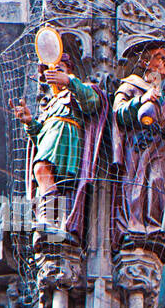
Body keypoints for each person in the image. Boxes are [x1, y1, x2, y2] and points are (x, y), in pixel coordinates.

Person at [12, 52, 100, 235]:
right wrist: (29, 122)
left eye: (60, 69)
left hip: (66, 138)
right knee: (44, 174)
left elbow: (92, 103)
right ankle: (50, 219)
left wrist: (69, 81)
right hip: (52, 139)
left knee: (41, 169)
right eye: (52, 71)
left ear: (68, 71)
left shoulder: (76, 90)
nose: (55, 73)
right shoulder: (49, 104)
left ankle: (51, 218)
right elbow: (40, 137)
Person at [112, 40, 165, 246]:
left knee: (156, 182)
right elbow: (117, 113)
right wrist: (141, 100)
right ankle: (135, 224)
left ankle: (154, 224)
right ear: (146, 61)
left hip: (159, 145)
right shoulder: (131, 85)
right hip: (137, 145)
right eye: (161, 58)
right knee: (137, 184)